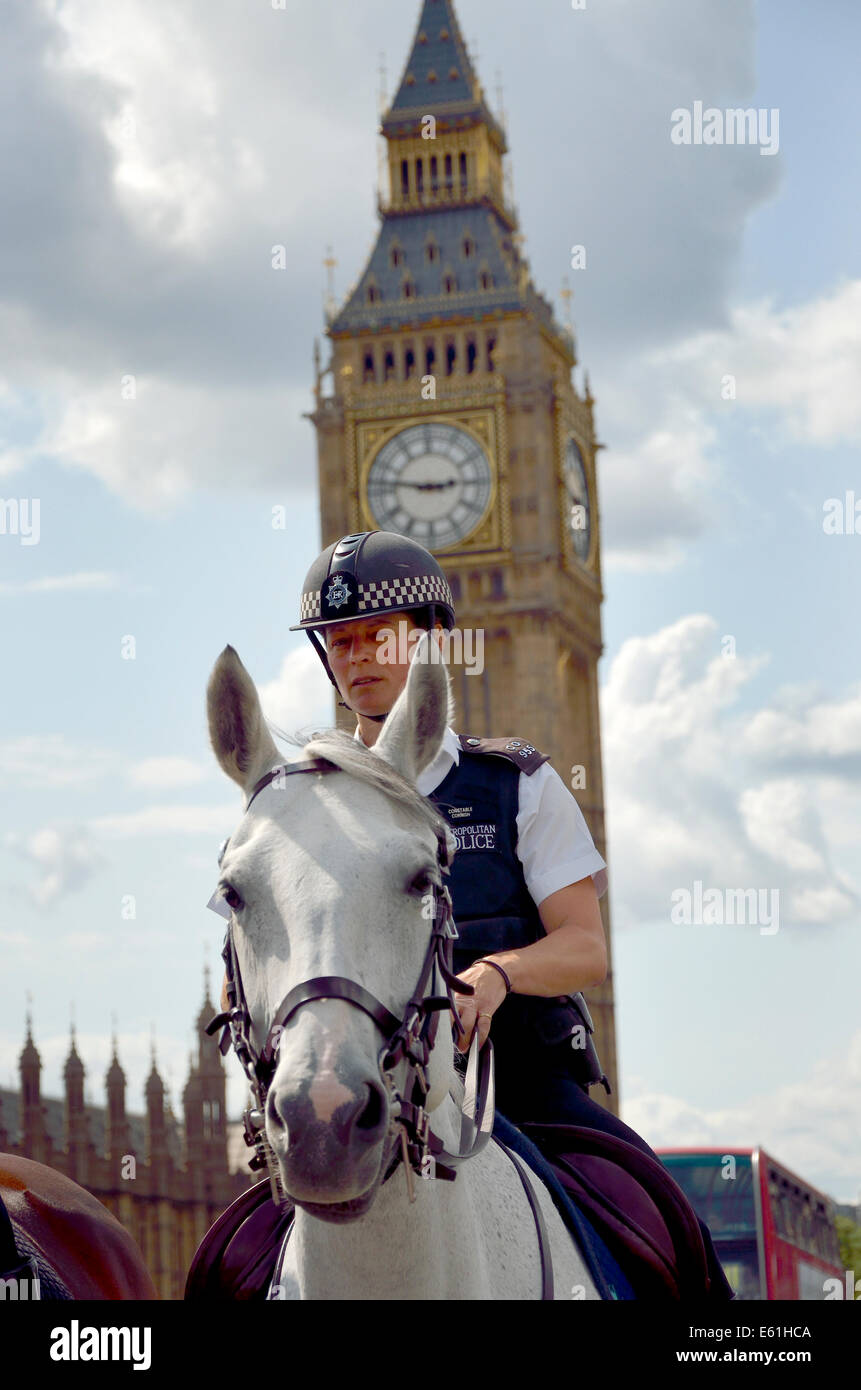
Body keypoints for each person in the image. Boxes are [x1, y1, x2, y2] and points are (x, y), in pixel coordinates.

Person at [217, 529, 733, 1298]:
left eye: (374, 637)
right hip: (367, 1087)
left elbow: (584, 946)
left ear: (427, 642)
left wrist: (495, 975)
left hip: (522, 1084)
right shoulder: (304, 808)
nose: (355, 657)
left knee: (657, 1219)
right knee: (223, 1263)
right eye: (339, 641)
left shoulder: (513, 783)